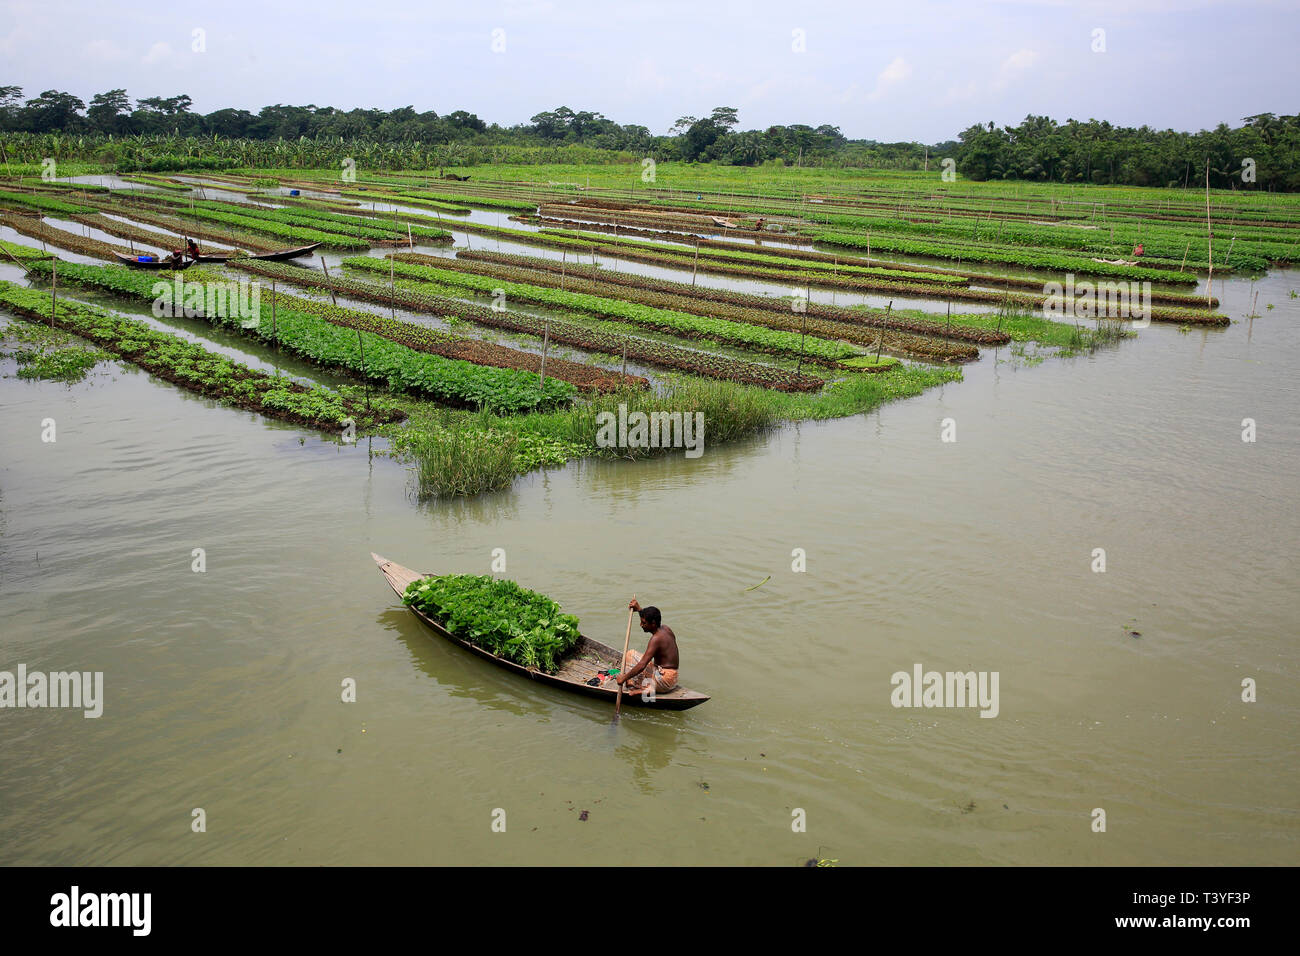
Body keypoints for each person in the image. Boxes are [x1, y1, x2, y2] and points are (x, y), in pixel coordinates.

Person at [615, 599, 679, 696]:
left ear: (653, 623)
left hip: (664, 680)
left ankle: (645, 688)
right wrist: (640, 610)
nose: (641, 625)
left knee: (633, 659)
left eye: (644, 623)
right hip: (673, 678)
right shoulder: (666, 629)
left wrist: (623, 678)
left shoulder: (656, 639)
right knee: (631, 654)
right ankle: (637, 684)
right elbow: (650, 618)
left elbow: (641, 665)